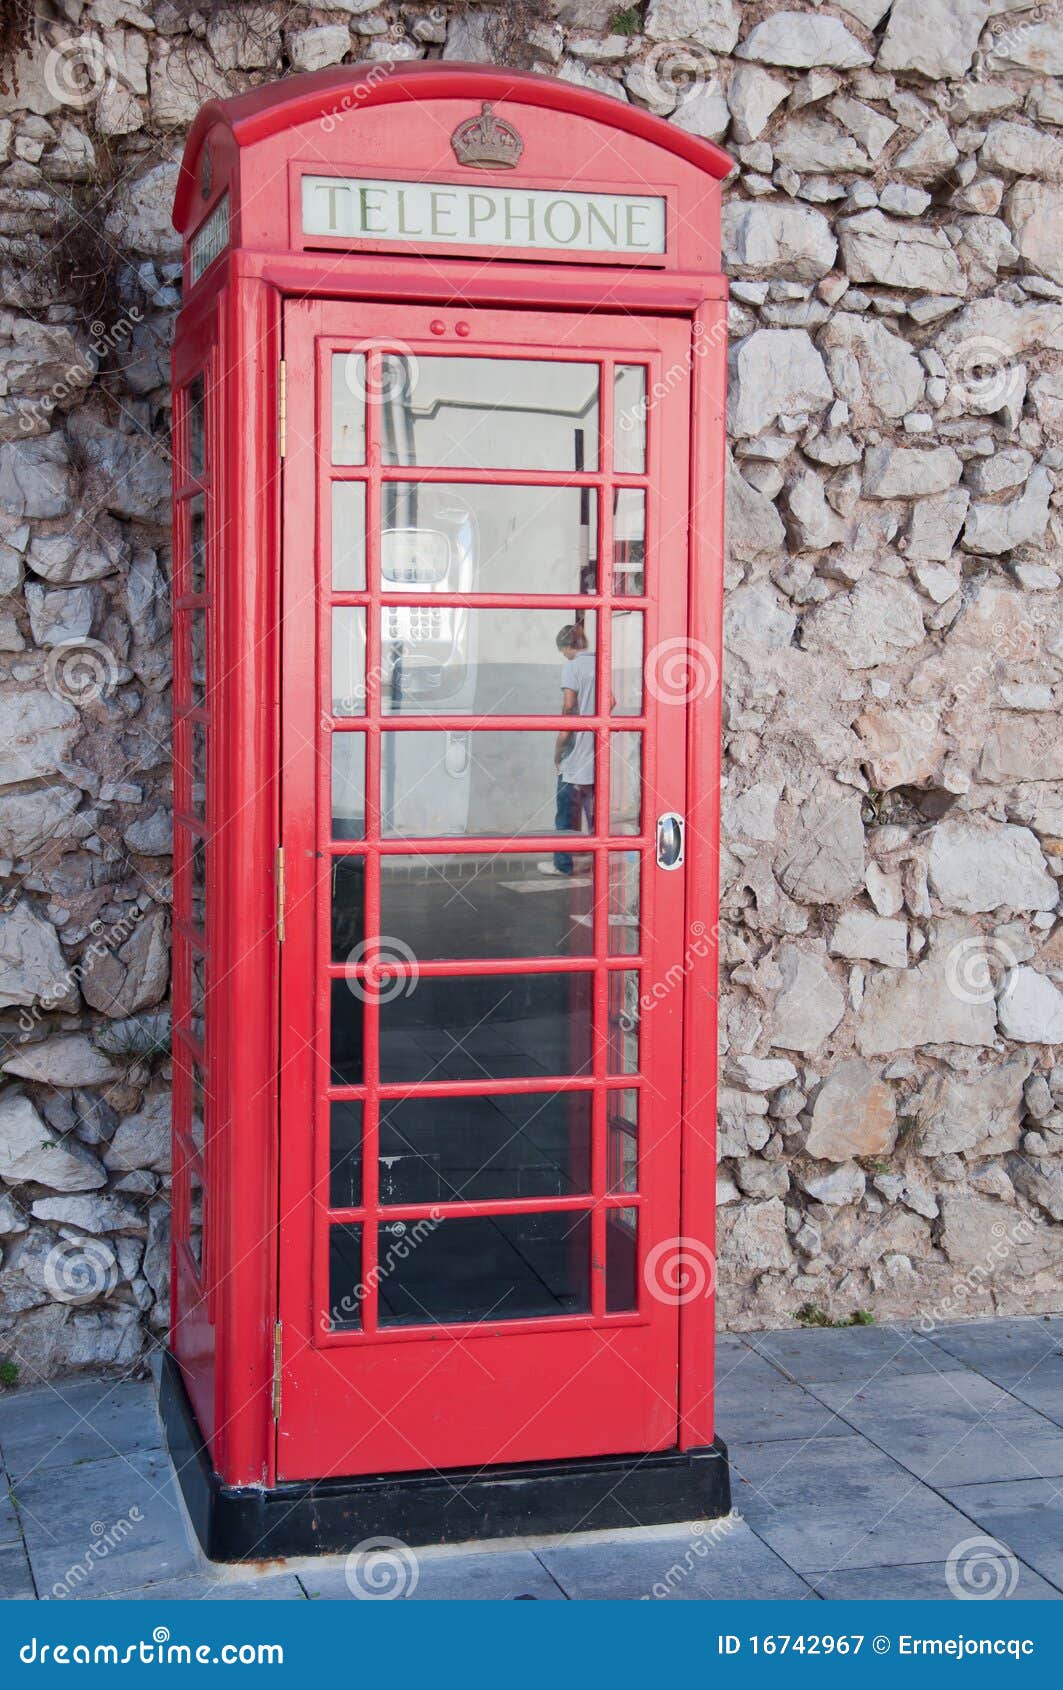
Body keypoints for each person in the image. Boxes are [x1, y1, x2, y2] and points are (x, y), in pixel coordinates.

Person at [540, 623, 595, 877]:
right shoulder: (600, 663)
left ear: (566, 647)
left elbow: (569, 707)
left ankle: (563, 864)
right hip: (596, 752)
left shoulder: (572, 668)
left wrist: (558, 747)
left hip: (575, 754)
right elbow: (612, 701)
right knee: (594, 813)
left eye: (562, 650)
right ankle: (596, 860)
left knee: (565, 812)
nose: (563, 655)